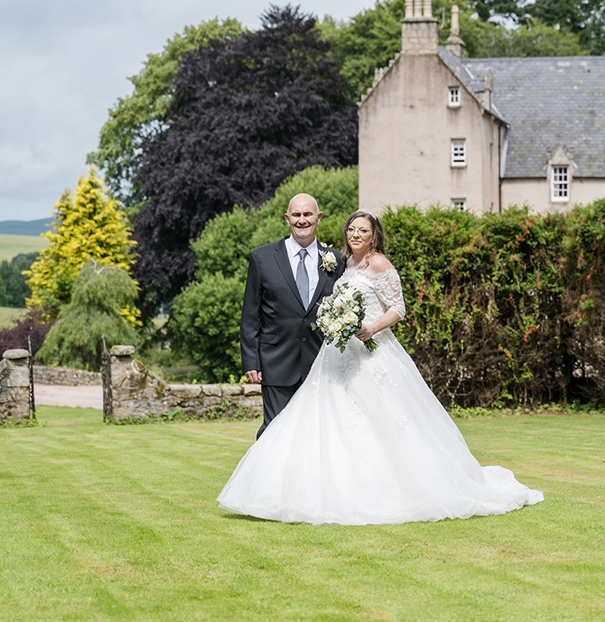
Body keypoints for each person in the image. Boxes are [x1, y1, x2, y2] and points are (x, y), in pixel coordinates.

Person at [219, 209, 543, 525]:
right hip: (336, 355)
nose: (356, 235)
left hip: (371, 354)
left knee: (381, 422)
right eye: (351, 229)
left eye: (363, 230)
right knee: (327, 421)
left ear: (374, 235)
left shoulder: (379, 263)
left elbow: (398, 307)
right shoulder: (342, 263)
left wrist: (372, 328)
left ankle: (391, 488)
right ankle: (313, 488)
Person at [240, 193, 345, 439]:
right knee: (275, 432)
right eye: (296, 215)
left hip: (321, 364)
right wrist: (251, 360)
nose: (302, 220)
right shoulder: (262, 258)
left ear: (318, 217)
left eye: (307, 214)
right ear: (287, 219)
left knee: (316, 433)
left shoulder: (336, 261)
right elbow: (250, 315)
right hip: (276, 361)